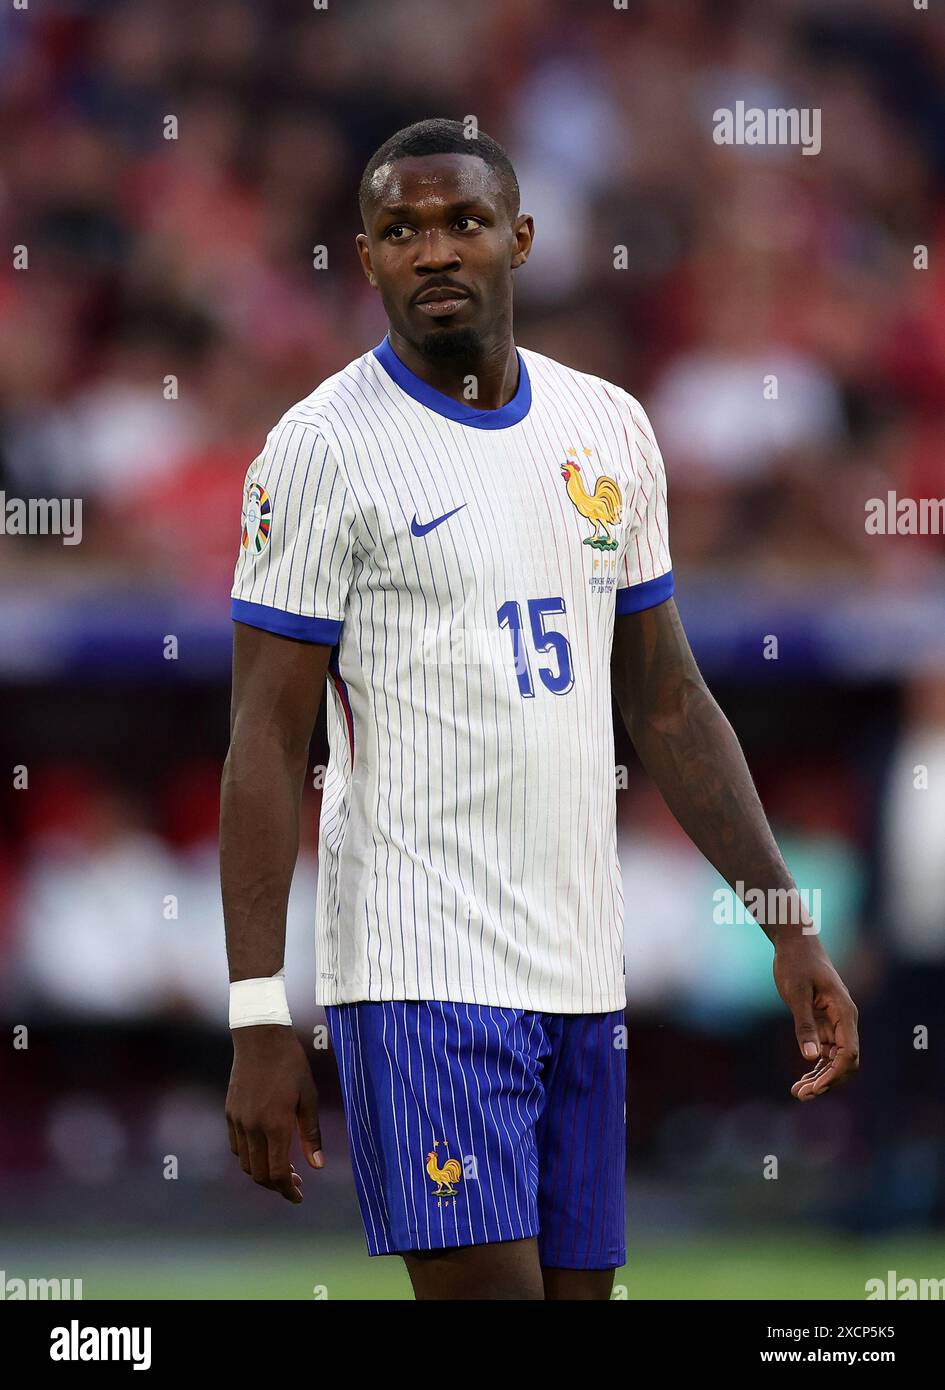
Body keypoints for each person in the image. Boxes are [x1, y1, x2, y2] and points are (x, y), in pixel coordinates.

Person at [220, 118, 859, 1302]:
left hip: (579, 970)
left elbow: (669, 700)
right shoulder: (316, 452)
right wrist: (261, 1011)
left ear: (520, 236)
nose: (435, 250)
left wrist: (787, 922)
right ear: (364, 260)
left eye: (462, 221)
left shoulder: (608, 428)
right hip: (418, 971)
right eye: (400, 230)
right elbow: (263, 741)